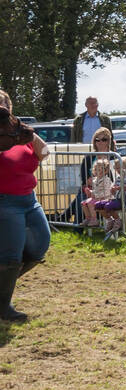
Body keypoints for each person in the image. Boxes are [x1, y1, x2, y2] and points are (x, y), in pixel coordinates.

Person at [0, 89, 50, 322]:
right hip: (6, 202)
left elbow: (44, 152)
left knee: (39, 245)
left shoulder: (18, 132)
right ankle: (3, 307)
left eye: (4, 104)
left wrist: (22, 128)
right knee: (11, 256)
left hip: (29, 199)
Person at [80, 128, 122, 233]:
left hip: (108, 189)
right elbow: (83, 174)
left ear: (109, 141)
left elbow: (117, 175)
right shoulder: (89, 157)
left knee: (90, 200)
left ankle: (97, 222)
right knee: (80, 200)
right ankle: (79, 227)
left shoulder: (114, 156)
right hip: (91, 188)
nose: (100, 142)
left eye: (104, 139)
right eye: (97, 140)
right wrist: (86, 181)